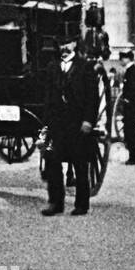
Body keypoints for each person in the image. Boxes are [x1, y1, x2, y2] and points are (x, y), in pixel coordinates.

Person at [42, 38, 96, 217]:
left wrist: (88, 120)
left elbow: (92, 97)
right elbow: (48, 95)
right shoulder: (52, 67)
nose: (64, 48)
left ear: (74, 45)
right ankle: (55, 202)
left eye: (68, 44)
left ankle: (82, 204)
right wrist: (46, 122)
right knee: (53, 162)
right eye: (61, 44)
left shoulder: (85, 67)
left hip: (77, 121)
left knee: (80, 163)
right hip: (57, 122)